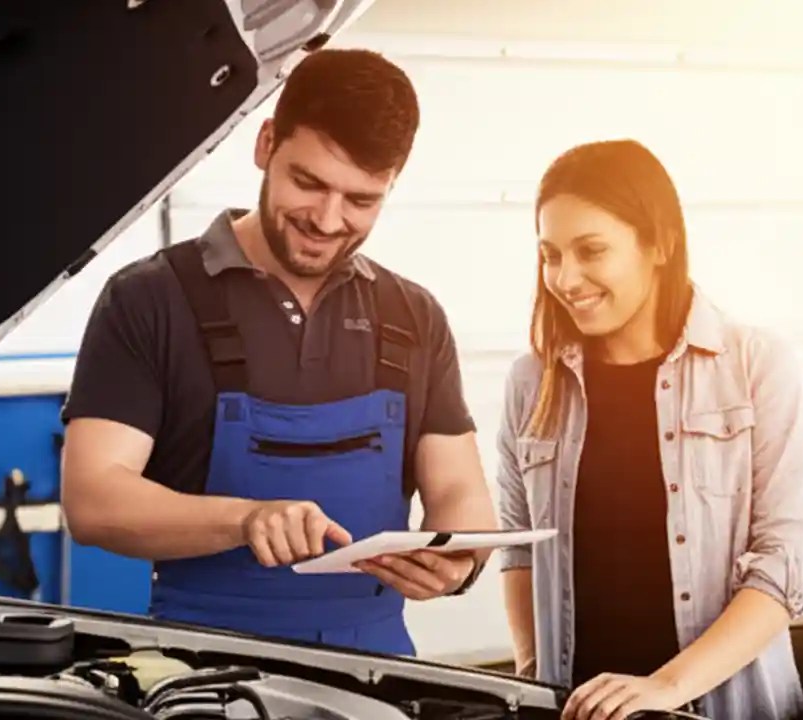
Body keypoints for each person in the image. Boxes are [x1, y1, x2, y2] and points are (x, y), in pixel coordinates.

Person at [59, 48, 497, 657]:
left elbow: (459, 491)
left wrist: (460, 560)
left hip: (374, 674)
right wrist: (244, 520)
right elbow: (94, 498)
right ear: (266, 144)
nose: (327, 219)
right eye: (308, 182)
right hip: (203, 668)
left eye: (361, 200)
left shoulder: (413, 316)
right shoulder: (149, 299)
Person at [497, 139, 803, 720]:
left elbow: (785, 565)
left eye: (591, 250)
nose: (565, 278)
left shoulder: (755, 366)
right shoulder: (531, 383)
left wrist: (666, 688)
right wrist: (532, 681)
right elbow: (520, 549)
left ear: (660, 244)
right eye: (550, 254)